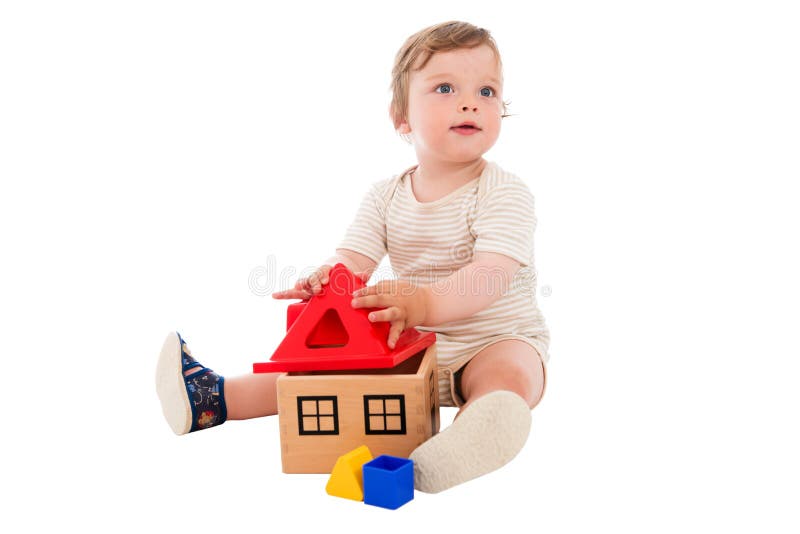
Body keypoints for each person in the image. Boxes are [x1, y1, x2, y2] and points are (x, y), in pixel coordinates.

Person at [156, 20, 550, 494]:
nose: (470, 102)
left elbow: (489, 277)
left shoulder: (504, 192)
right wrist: (326, 283)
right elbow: (352, 266)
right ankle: (216, 400)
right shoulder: (385, 197)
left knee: (508, 371)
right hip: (411, 341)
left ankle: (462, 441)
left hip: (493, 338)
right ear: (401, 118)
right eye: (445, 87)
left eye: (487, 91)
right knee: (316, 370)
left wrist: (423, 304)